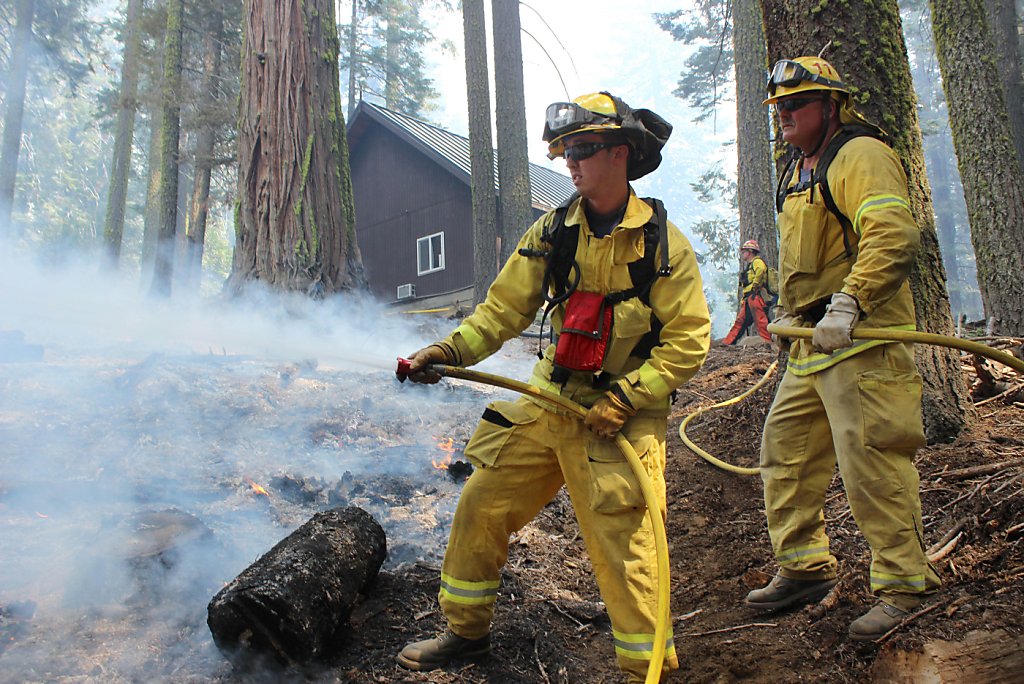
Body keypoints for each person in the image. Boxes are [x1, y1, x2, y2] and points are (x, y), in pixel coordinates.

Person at [396, 92, 710, 682]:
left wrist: (625, 398)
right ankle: (465, 634)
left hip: (623, 416)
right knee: (480, 504)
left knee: (629, 554)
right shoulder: (553, 231)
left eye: (583, 148)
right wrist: (447, 351)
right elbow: (501, 312)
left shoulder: (663, 244)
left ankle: (648, 673)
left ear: (621, 153)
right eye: (565, 149)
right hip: (552, 401)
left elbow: (689, 339)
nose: (570, 160)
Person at [745, 56, 940, 640]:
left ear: (831, 106)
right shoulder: (799, 169)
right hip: (813, 344)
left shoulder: (859, 156)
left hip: (863, 339)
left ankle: (907, 585)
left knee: (872, 461)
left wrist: (850, 303)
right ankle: (805, 567)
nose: (784, 114)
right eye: (779, 106)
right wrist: (790, 308)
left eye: (796, 104)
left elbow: (891, 233)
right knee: (785, 453)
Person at [721, 239, 772, 344]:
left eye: (744, 252)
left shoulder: (757, 262)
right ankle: (727, 343)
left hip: (755, 297)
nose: (742, 254)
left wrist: (755, 285)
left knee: (761, 320)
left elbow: (761, 270)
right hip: (750, 298)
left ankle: (768, 342)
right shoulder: (750, 265)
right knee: (740, 322)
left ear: (750, 252)